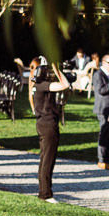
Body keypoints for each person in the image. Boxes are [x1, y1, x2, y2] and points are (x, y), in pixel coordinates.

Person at [28, 56, 70, 202]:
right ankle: (45, 193)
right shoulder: (43, 85)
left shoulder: (36, 85)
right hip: (48, 125)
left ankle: (45, 191)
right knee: (47, 160)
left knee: (45, 159)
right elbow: (65, 84)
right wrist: (58, 70)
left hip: (43, 123)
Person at [93, 55, 109, 169]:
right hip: (103, 109)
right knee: (104, 135)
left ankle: (107, 159)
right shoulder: (98, 75)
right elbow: (101, 90)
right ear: (103, 62)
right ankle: (102, 159)